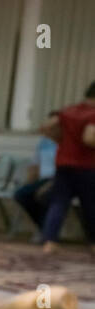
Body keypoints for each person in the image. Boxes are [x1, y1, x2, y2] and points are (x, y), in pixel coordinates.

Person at [38, 80, 95, 256]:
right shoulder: (93, 114)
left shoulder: (69, 111)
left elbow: (46, 127)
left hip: (64, 164)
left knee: (58, 203)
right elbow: (89, 138)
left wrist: (62, 141)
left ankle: (49, 241)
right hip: (87, 166)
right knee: (91, 206)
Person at [13, 116, 61, 243]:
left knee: (45, 196)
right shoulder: (44, 142)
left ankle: (47, 232)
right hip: (42, 179)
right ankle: (44, 228)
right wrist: (29, 181)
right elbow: (35, 165)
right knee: (21, 194)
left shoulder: (65, 143)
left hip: (58, 180)